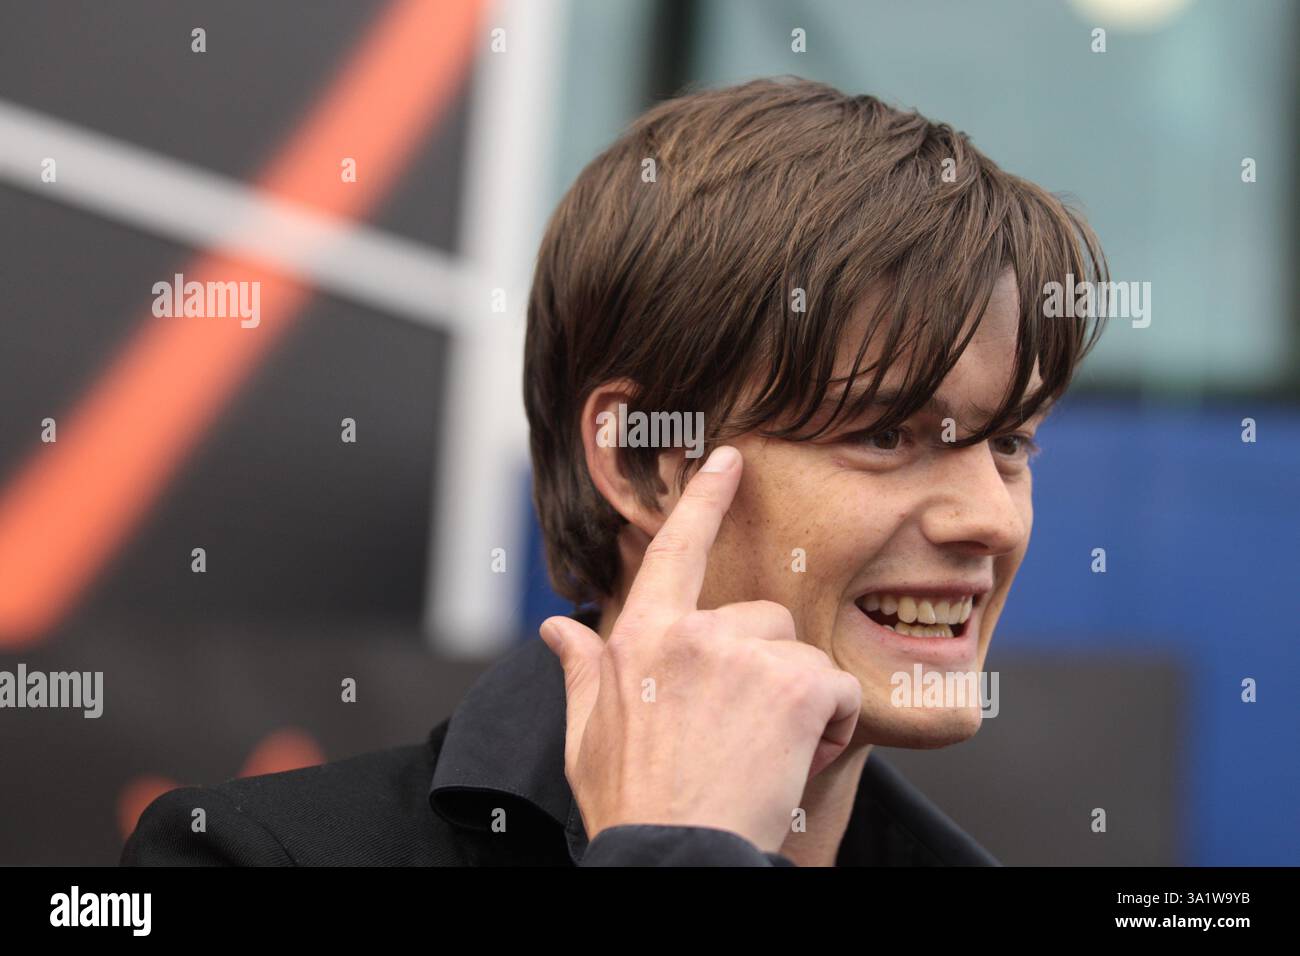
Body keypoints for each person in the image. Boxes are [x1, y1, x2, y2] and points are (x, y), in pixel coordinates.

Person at [121, 76, 1106, 867]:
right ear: (642, 459)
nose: (989, 516)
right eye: (886, 433)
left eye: (1009, 443)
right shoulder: (248, 855)